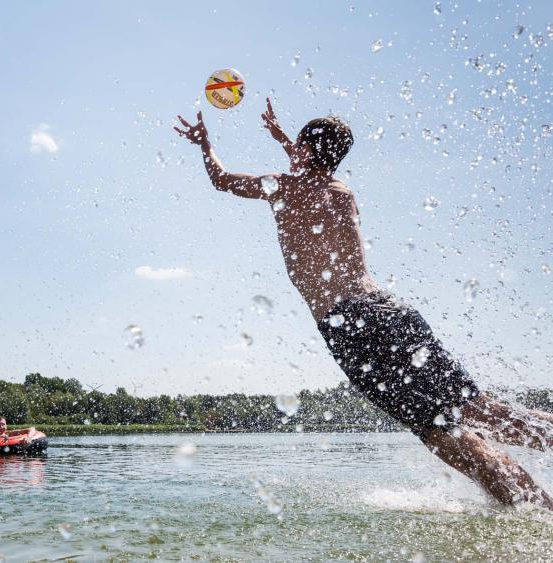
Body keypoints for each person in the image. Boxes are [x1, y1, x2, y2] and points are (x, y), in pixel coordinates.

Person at [174, 100, 553, 509]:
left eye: (297, 145)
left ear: (303, 150)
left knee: (442, 433)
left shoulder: (282, 186)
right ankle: (536, 505)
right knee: (474, 410)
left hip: (348, 325)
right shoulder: (342, 192)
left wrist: (204, 144)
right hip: (390, 311)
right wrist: (286, 138)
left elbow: (222, 179)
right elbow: (314, 168)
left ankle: (536, 509)